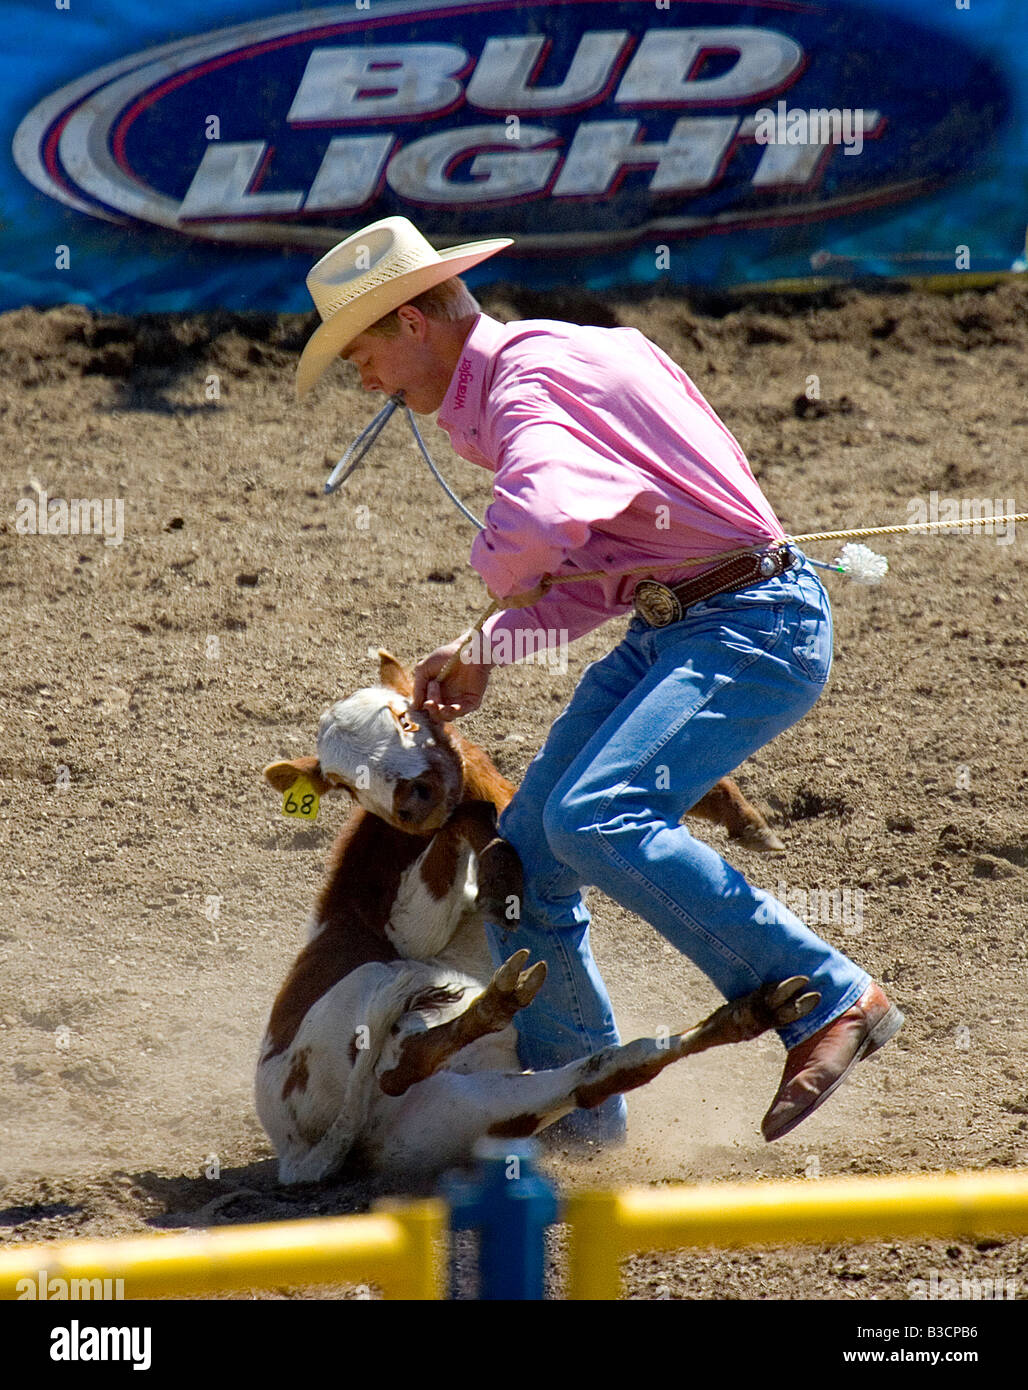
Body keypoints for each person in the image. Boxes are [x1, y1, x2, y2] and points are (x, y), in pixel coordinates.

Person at [296, 216, 903, 1146]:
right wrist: (488, 648)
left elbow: (539, 521)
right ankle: (582, 1121)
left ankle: (829, 995)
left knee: (593, 816)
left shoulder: (532, 386)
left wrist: (496, 568)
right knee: (524, 857)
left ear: (415, 325)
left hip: (747, 627)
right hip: (698, 619)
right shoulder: (555, 361)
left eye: (364, 352)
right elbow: (605, 574)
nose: (364, 378)